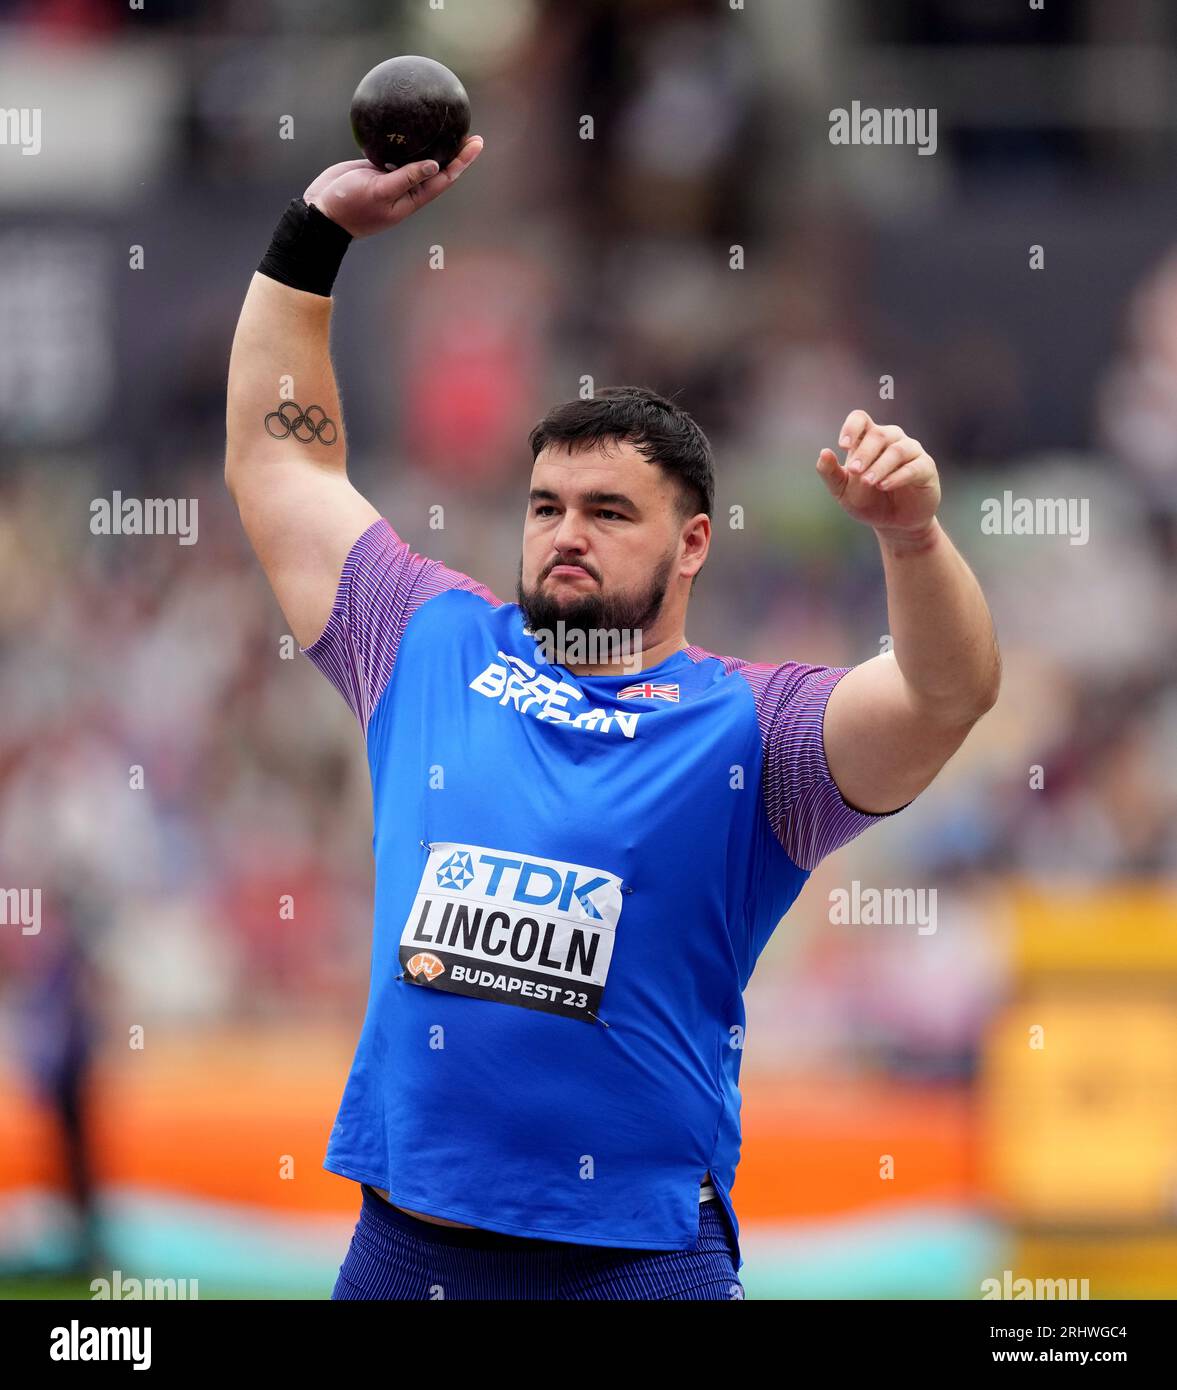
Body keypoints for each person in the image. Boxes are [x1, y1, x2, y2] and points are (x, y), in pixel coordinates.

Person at [224, 136, 1001, 1300]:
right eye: (544, 505)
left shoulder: (755, 731)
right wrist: (311, 234)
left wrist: (911, 538)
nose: (565, 533)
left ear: (692, 542)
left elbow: (947, 692)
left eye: (606, 509)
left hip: (637, 1264)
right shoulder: (429, 638)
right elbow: (280, 469)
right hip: (410, 1247)